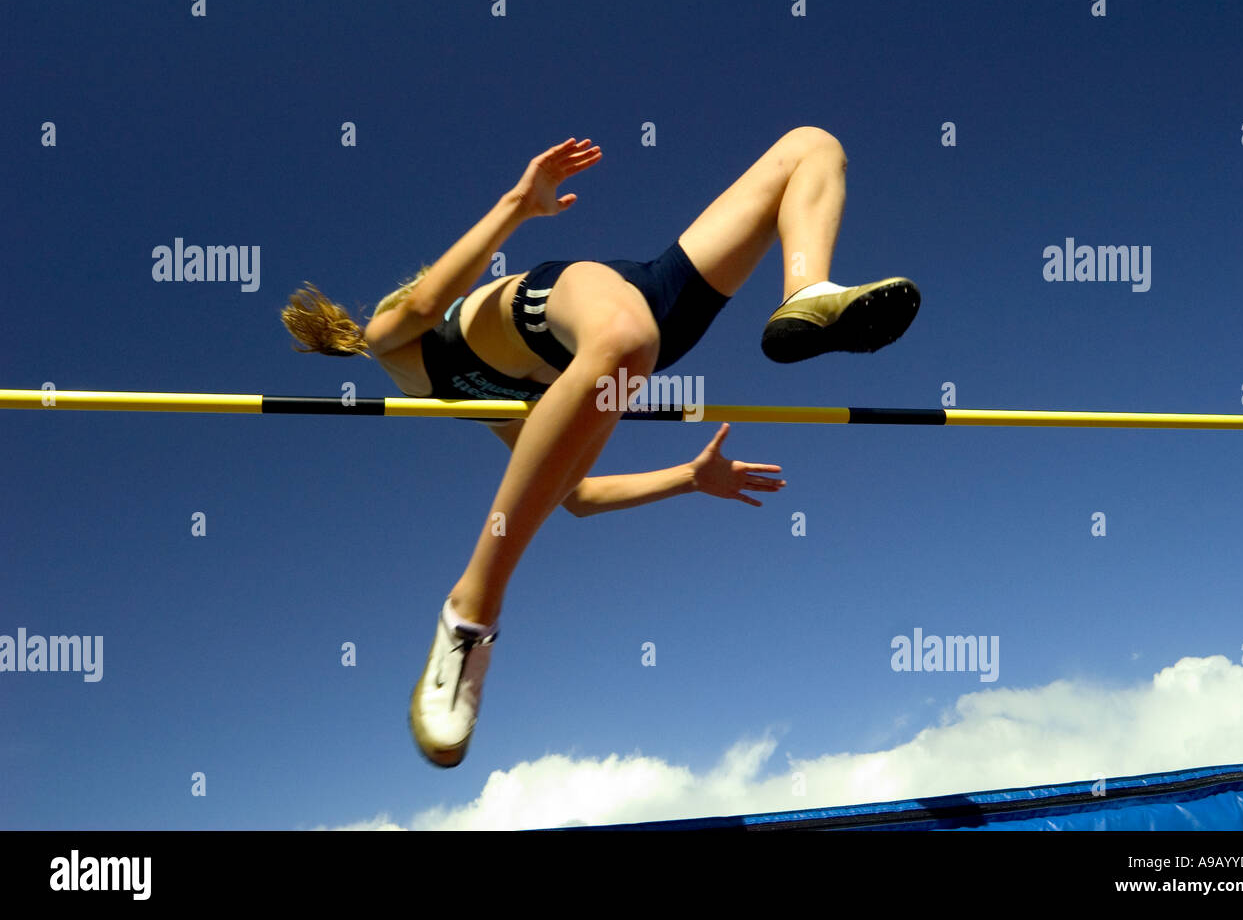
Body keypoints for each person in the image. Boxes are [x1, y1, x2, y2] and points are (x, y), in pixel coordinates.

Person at [280, 128, 920, 767]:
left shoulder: (389, 337)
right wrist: (689, 477)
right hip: (646, 330)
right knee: (799, 155)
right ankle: (792, 296)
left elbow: (424, 300)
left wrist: (519, 203)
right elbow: (575, 496)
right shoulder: (477, 400)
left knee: (808, 151)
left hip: (574, 306)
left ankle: (470, 607)